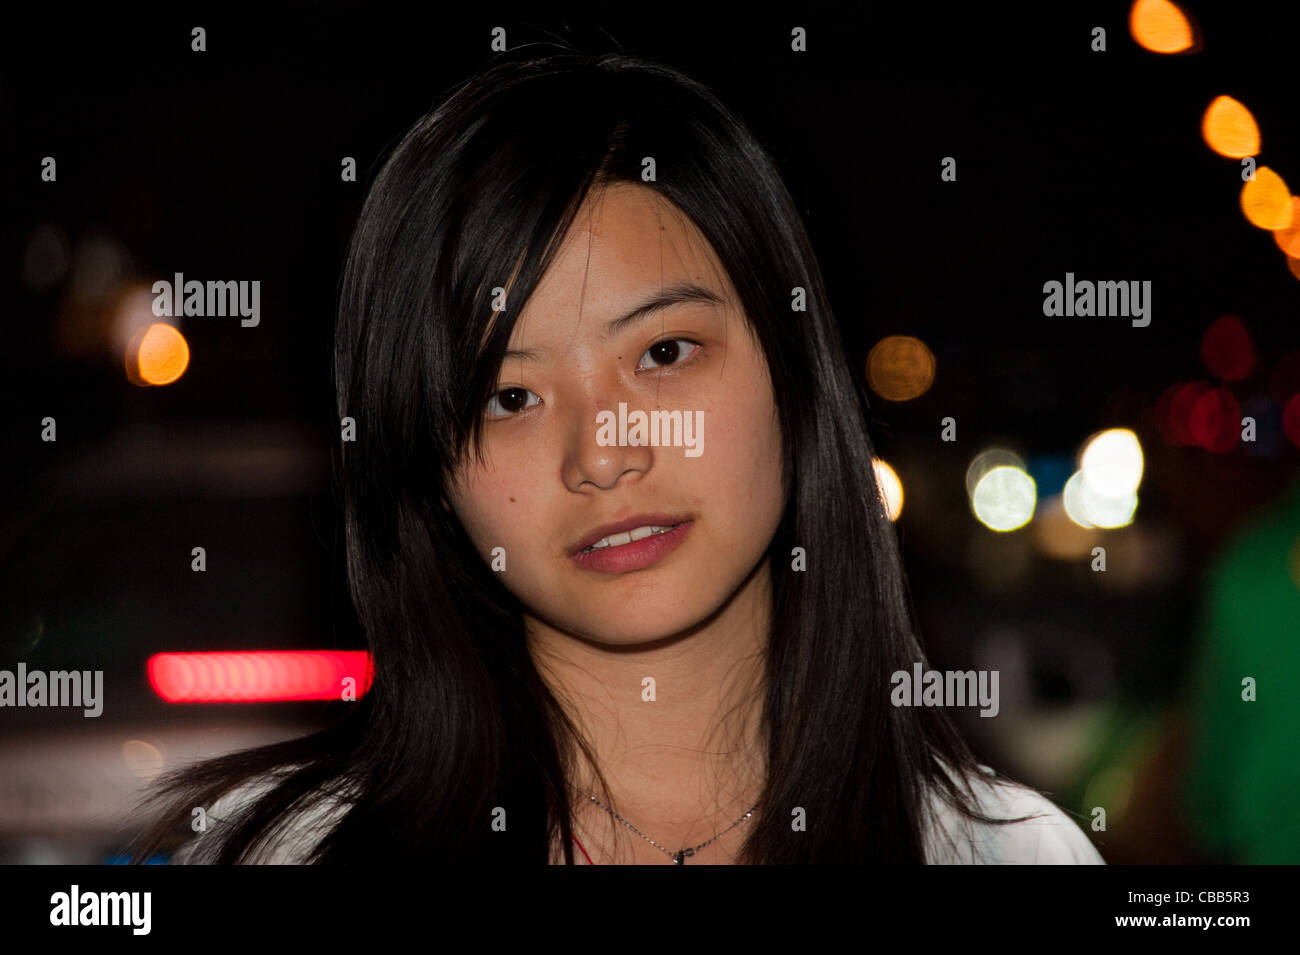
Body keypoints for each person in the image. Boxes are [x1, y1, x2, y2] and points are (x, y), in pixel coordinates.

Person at [129, 49, 1103, 865]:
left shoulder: (1007, 852)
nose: (601, 454)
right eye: (508, 397)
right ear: (427, 475)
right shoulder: (290, 856)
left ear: (793, 368)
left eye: (664, 353)